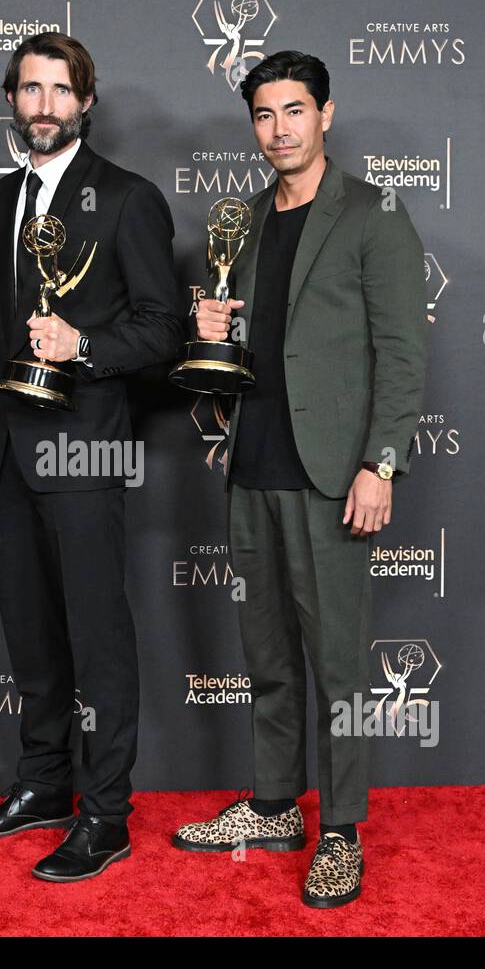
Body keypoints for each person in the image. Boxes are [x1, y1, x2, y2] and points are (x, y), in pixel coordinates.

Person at [171, 52, 427, 908]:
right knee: (269, 659)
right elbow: (244, 356)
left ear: (326, 114)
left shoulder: (372, 214)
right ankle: (276, 807)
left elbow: (401, 352)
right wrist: (210, 329)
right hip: (251, 469)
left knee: (341, 668)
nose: (279, 129)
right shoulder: (241, 222)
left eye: (294, 111)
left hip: (332, 477)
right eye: (264, 115)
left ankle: (342, 831)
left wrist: (379, 463)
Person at [0, 33, 185, 882]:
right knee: (30, 633)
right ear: (11, 101)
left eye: (59, 90)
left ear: (87, 101)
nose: (43, 105)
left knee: (97, 636)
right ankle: (44, 784)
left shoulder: (128, 199)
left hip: (85, 448)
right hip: (8, 457)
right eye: (29, 89)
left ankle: (108, 815)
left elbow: (162, 332)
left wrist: (82, 342)